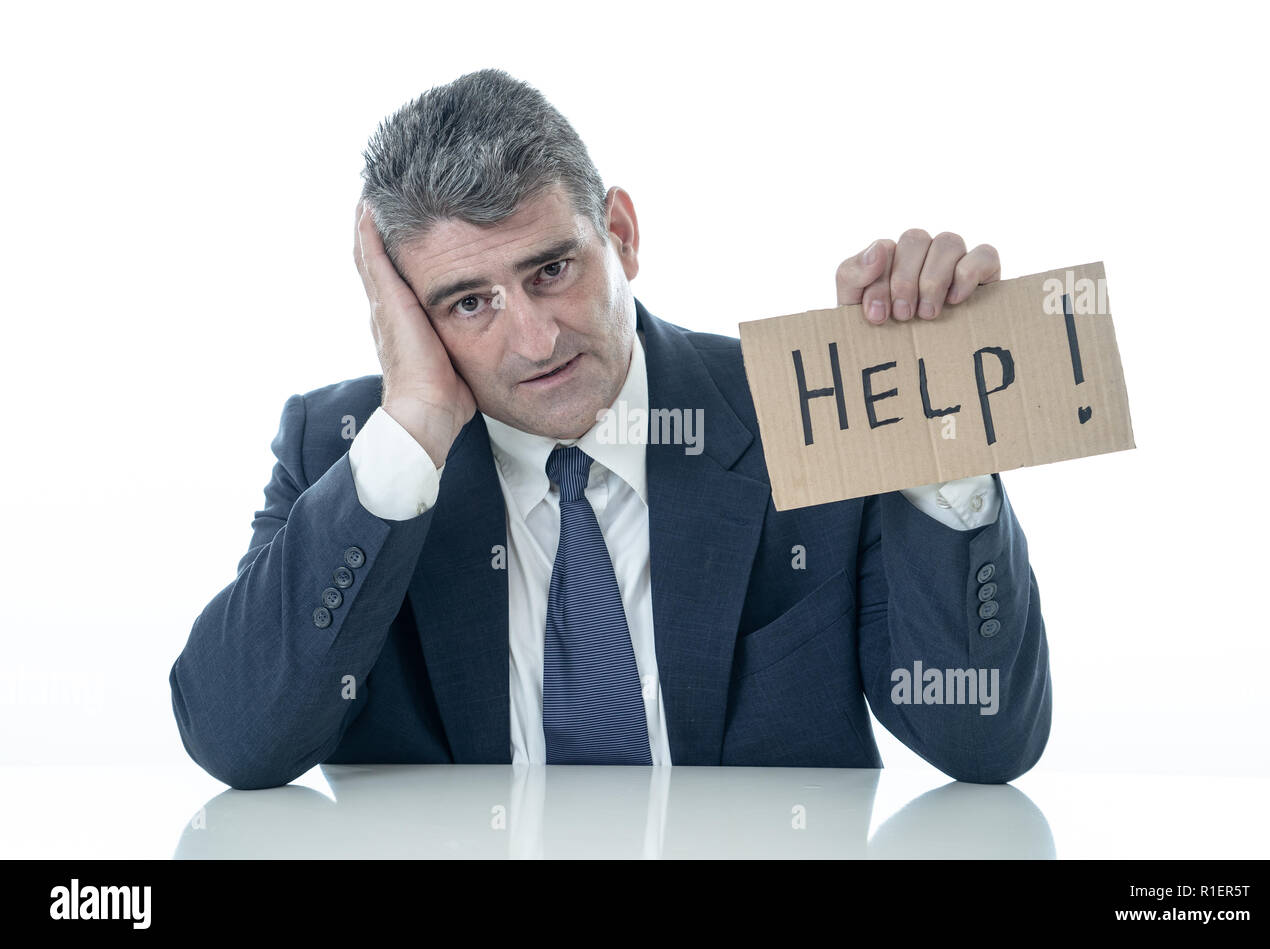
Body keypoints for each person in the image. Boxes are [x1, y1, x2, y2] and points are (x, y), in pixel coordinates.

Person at [169, 68, 1050, 790]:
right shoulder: (349, 453)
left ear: (620, 234)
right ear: (411, 317)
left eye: (551, 269)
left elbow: (984, 743)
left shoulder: (801, 415)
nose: (535, 338)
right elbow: (238, 740)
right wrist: (413, 428)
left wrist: (939, 438)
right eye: (469, 303)